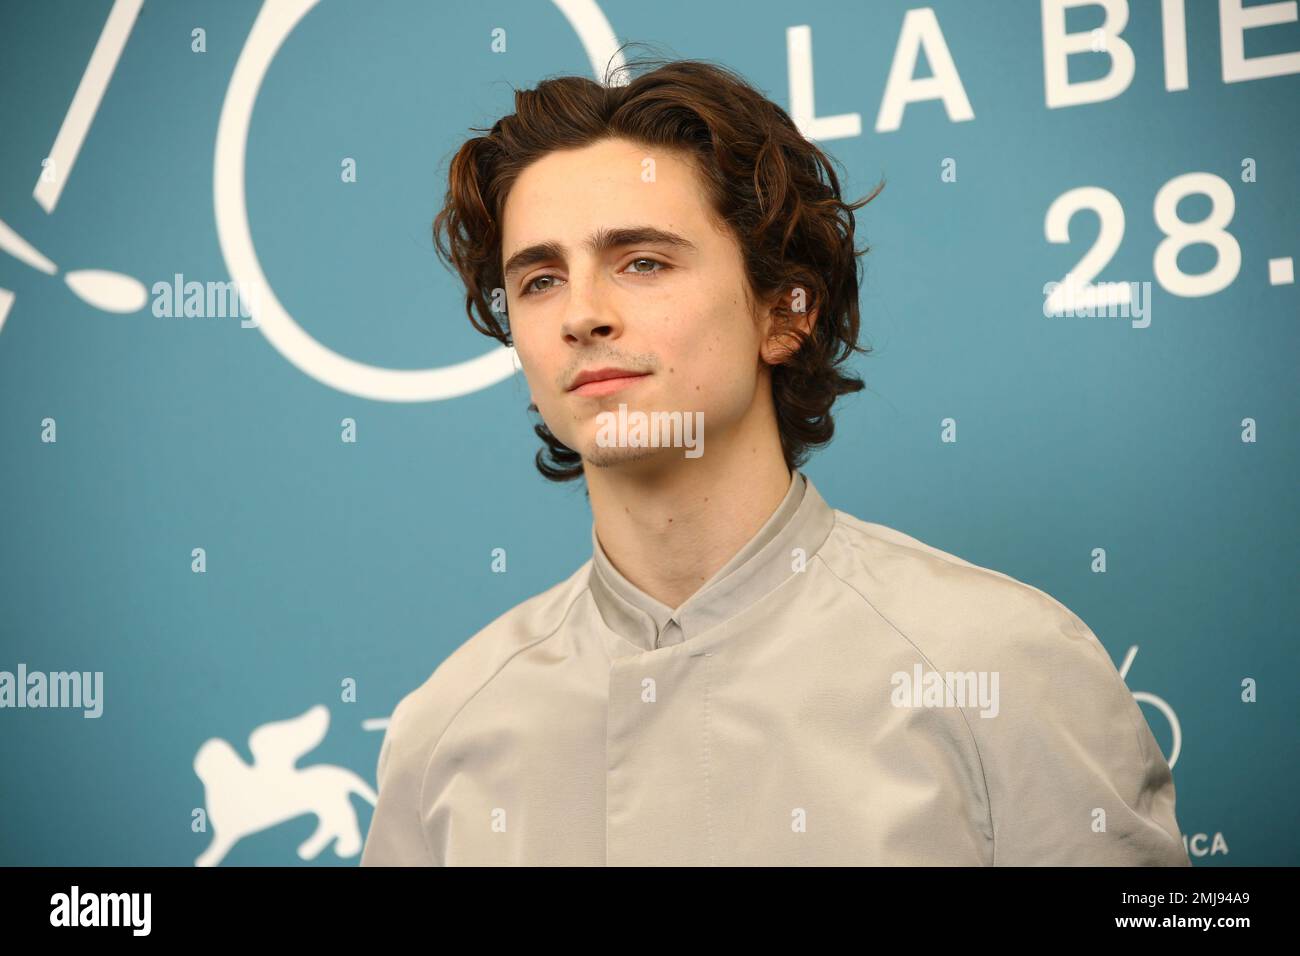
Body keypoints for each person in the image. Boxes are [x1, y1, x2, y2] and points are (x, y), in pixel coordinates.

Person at [360, 55, 1190, 866]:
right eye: (539, 279)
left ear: (785, 314)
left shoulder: (1000, 664)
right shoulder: (445, 731)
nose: (582, 314)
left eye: (641, 261)